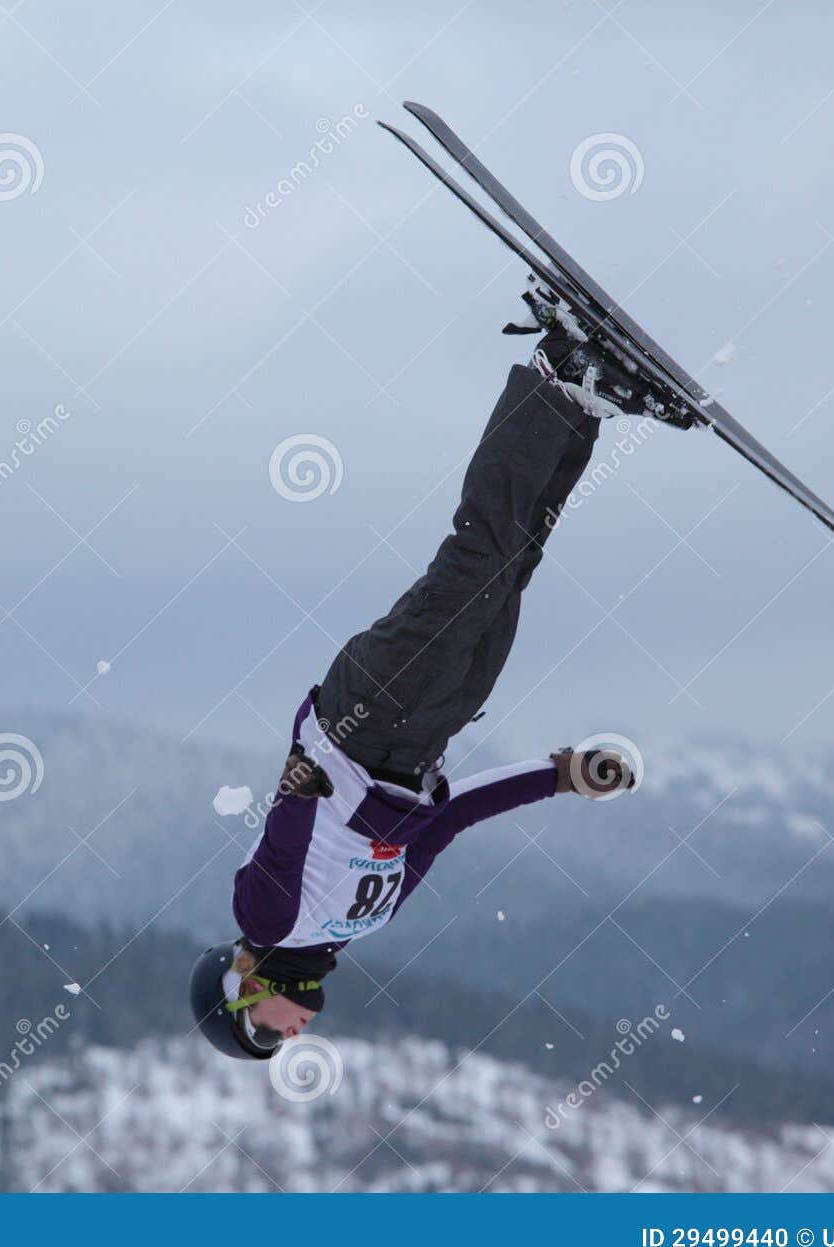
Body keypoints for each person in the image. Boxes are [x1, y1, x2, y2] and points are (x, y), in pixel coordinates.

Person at [190, 297, 659, 1061]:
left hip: (367, 716)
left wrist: (307, 771)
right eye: (280, 1040)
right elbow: (448, 819)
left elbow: (289, 818)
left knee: (478, 559)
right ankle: (583, 405)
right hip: (423, 737)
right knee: (511, 571)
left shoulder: (265, 922)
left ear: (241, 986)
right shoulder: (355, 923)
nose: (293, 1031)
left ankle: (550, 375)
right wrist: (562, 775)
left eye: (267, 1030)